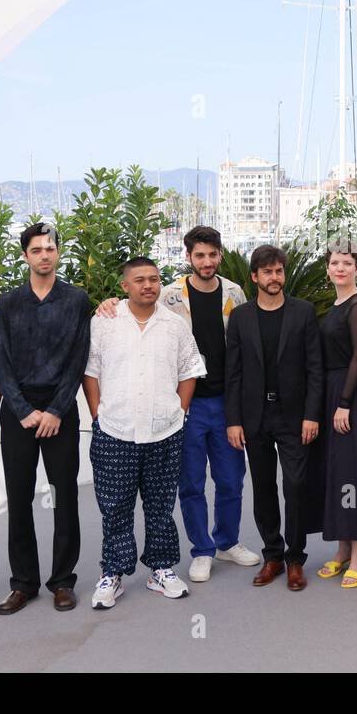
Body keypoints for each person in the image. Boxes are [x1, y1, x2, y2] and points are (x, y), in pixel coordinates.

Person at [95, 226, 259, 582]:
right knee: (191, 483)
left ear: (220, 255)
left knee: (231, 480)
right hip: (188, 406)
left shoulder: (235, 293)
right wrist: (106, 303)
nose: (207, 261)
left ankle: (227, 542)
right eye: (199, 255)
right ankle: (202, 550)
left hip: (228, 404)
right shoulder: (167, 296)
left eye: (213, 254)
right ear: (188, 257)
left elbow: (246, 347)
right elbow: (130, 307)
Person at [82, 257, 206, 609]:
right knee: (115, 507)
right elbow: (90, 371)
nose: (148, 285)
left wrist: (180, 412)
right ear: (125, 286)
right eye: (139, 280)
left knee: (161, 506)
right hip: (114, 429)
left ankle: (162, 569)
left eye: (153, 279)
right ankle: (113, 574)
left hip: (164, 430)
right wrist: (96, 414)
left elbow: (189, 369)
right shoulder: (105, 322)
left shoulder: (175, 325)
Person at [0, 222, 91, 615]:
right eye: (36, 249)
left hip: (60, 410)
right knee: (18, 498)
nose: (44, 255)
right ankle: (23, 584)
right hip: (19, 414)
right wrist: (22, 410)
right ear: (25, 256)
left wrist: (54, 410)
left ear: (58, 253)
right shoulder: (9, 303)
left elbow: (78, 358)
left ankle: (63, 580)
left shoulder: (76, 300)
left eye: (50, 248)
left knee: (65, 496)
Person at [225, 245, 323, 591]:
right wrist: (233, 420)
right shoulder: (240, 317)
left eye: (279, 271)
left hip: (295, 417)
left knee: (295, 486)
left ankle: (295, 558)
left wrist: (312, 415)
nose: (274, 277)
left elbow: (315, 369)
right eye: (267, 272)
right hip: (254, 417)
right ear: (254, 277)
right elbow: (232, 373)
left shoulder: (303, 312)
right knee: (263, 486)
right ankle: (272, 556)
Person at [315, 241, 357, 589]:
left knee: (353, 474)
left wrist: (344, 402)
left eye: (347, 263)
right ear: (328, 268)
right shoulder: (337, 304)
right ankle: (343, 546)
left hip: (351, 396)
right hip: (334, 392)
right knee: (338, 471)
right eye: (335, 263)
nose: (340, 268)